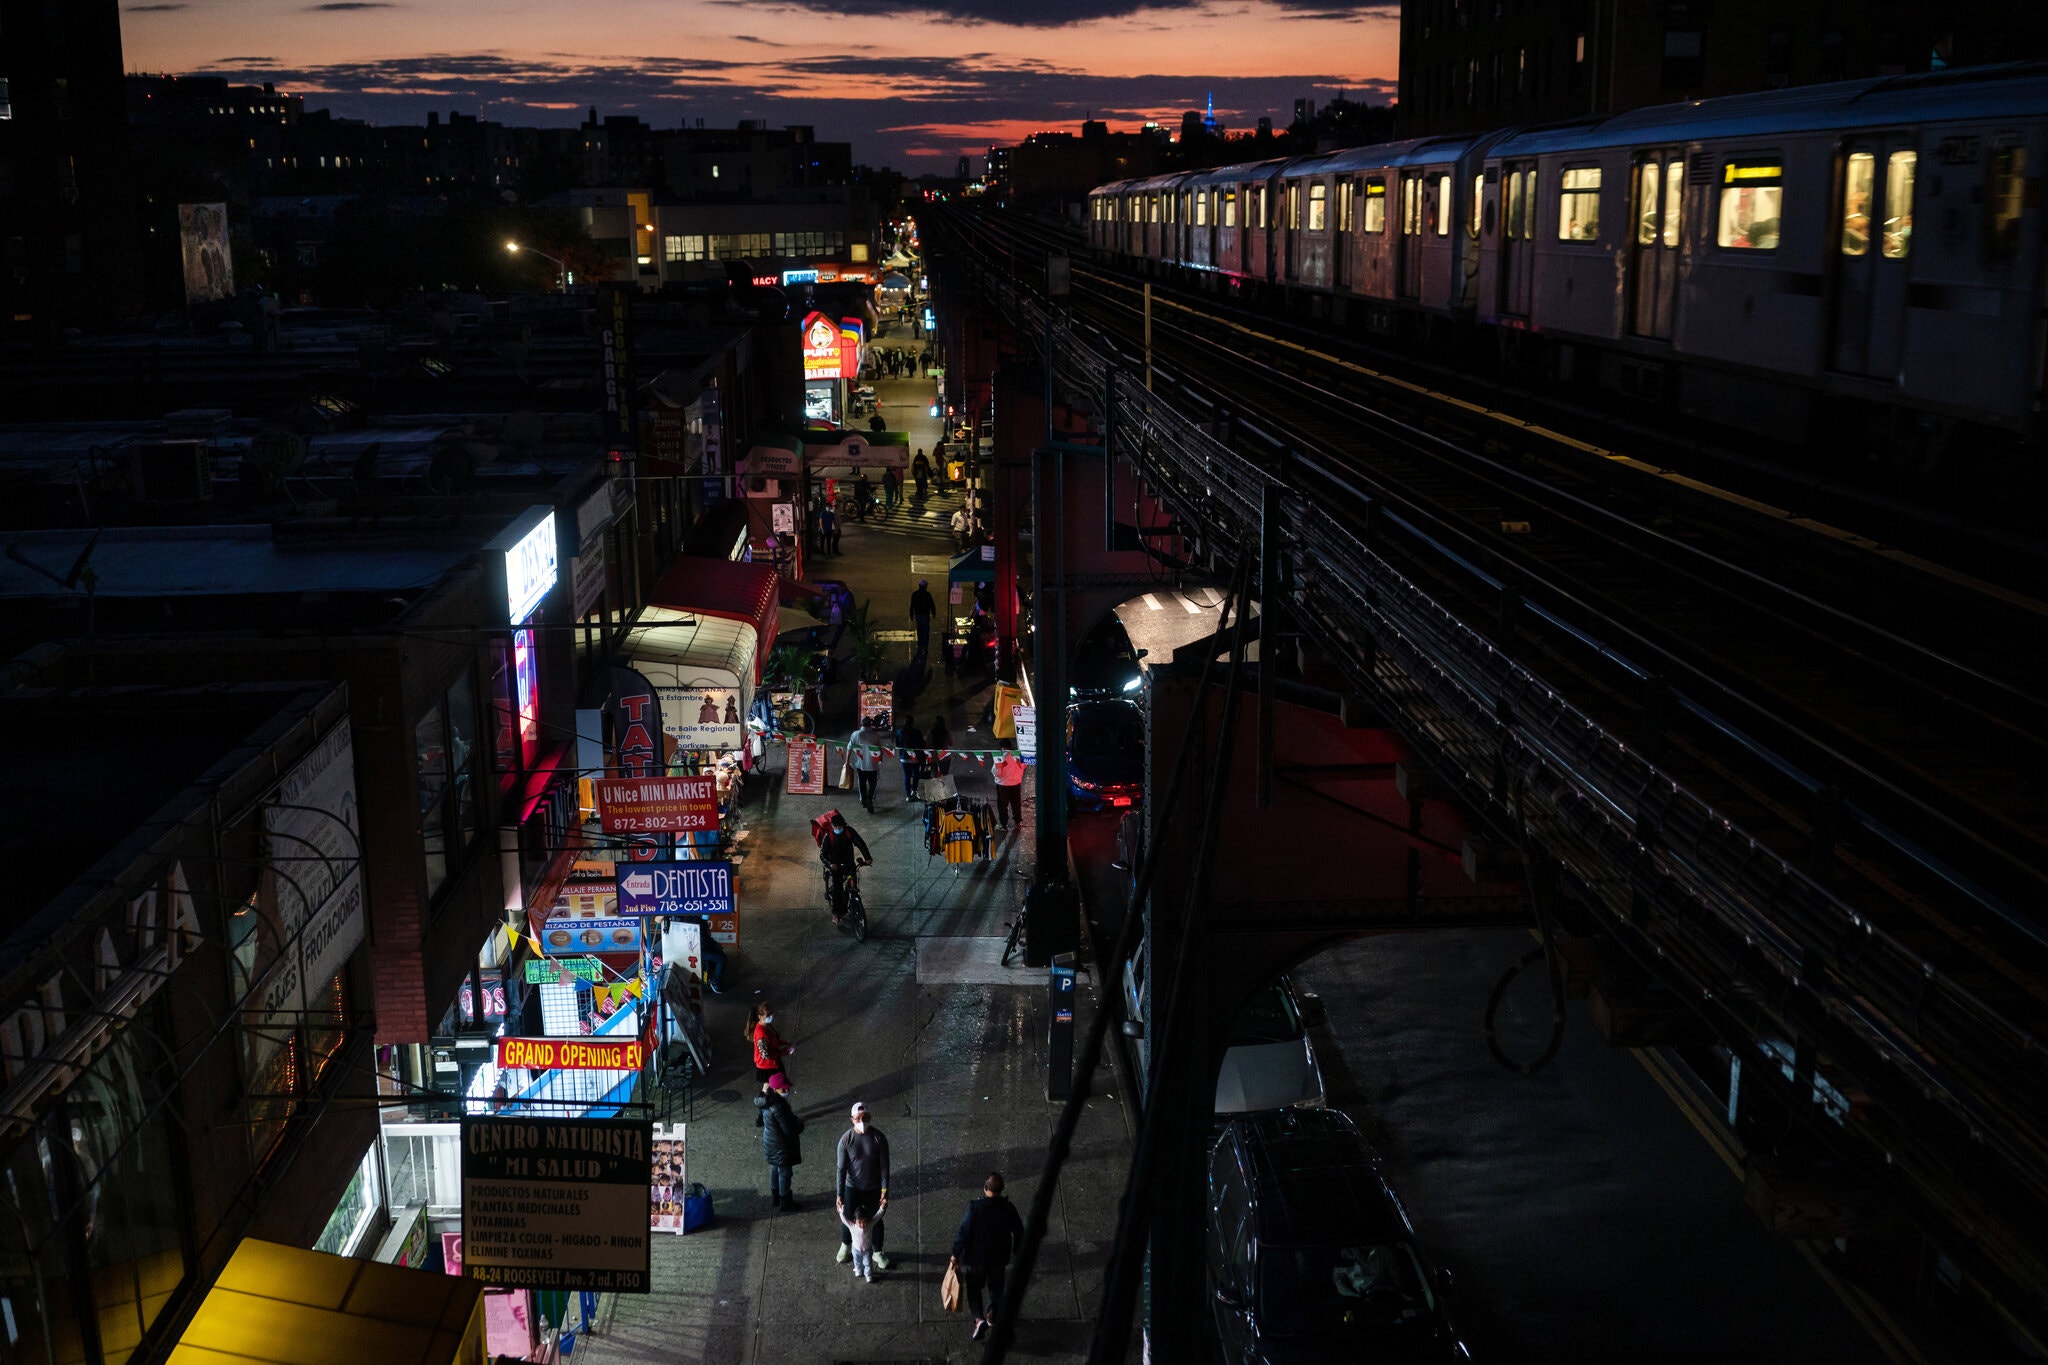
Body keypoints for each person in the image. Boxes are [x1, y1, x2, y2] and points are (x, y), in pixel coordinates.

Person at [951, 1172, 1027, 1341]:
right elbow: (1019, 1231)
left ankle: (978, 1319)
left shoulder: (976, 1208)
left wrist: (955, 1253)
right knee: (996, 1289)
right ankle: (993, 1314)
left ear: (985, 1188)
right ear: (1001, 1190)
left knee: (974, 1288)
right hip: (998, 1258)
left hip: (976, 1258)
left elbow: (964, 1232)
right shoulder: (1008, 1208)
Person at [835, 1102, 891, 1269]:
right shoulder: (845, 1140)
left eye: (865, 1118)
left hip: (873, 1188)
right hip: (852, 1187)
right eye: (858, 1118)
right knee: (848, 1217)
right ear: (852, 1119)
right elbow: (841, 1169)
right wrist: (840, 1193)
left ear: (870, 1118)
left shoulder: (879, 1138)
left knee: (877, 1220)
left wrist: (884, 1190)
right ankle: (846, 1245)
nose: (862, 1121)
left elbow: (884, 1167)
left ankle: (877, 1251)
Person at [755, 1073, 805, 1211]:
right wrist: (800, 1125)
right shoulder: (779, 1106)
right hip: (782, 1145)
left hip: (770, 1141)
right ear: (775, 1089)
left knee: (774, 1168)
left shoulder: (765, 1101)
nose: (787, 1092)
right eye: (783, 1090)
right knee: (785, 1172)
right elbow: (788, 1129)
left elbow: (759, 1121)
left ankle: (775, 1197)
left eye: (787, 1089)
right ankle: (785, 1201)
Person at [819, 810, 872, 919]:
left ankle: (851, 903)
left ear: (843, 825)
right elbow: (822, 854)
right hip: (836, 866)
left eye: (839, 827)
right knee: (837, 890)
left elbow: (860, 843)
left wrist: (867, 858)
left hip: (849, 863)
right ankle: (836, 913)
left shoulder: (849, 832)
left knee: (852, 885)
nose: (838, 829)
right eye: (836, 827)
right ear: (832, 826)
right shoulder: (828, 836)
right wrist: (830, 864)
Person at [749, 1003, 793, 1086]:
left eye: (772, 1013)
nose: (771, 1016)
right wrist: (782, 1052)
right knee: (776, 1086)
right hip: (768, 1066)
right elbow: (766, 1054)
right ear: (760, 1017)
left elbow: (773, 1041)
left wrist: (785, 1042)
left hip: (770, 1064)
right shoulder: (761, 1033)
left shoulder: (766, 1026)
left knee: (770, 1086)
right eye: (768, 1015)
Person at [846, 723, 885, 812]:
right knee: (873, 784)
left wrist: (847, 761)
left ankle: (863, 801)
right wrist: (880, 759)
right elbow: (881, 750)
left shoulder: (855, 734)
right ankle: (869, 799)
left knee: (862, 783)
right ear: (870, 725)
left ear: (861, 724)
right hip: (873, 765)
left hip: (860, 764)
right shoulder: (875, 735)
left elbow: (849, 748)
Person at [837, 1197, 877, 1282]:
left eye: (865, 1222)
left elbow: (877, 1216)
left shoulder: (870, 1225)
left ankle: (868, 1275)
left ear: (868, 1220)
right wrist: (841, 1210)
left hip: (867, 1250)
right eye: (860, 1222)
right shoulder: (852, 1226)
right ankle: (858, 1270)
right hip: (855, 1249)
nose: (862, 1225)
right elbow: (844, 1219)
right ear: (855, 1221)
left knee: (868, 1263)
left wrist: (882, 1208)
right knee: (856, 1261)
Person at [993, 749, 1024, 830]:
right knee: (1016, 804)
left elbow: (996, 772)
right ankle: (1017, 823)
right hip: (1016, 784)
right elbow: (1024, 766)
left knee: (1002, 805)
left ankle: (1003, 825)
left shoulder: (1001, 758)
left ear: (1002, 748)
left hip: (1002, 785)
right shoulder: (1018, 756)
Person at [897, 718, 925, 801]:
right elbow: (921, 744)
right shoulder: (917, 732)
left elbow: (897, 744)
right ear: (912, 723)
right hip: (915, 756)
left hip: (904, 756)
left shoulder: (899, 732)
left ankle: (908, 795)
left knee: (907, 775)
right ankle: (914, 791)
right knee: (916, 775)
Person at [910, 578, 937, 659]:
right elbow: (932, 604)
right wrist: (933, 613)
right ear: (925, 586)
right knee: (926, 631)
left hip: (918, 615)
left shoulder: (915, 594)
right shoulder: (927, 594)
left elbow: (912, 606)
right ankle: (925, 646)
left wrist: (911, 615)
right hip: (925, 615)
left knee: (919, 630)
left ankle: (920, 645)